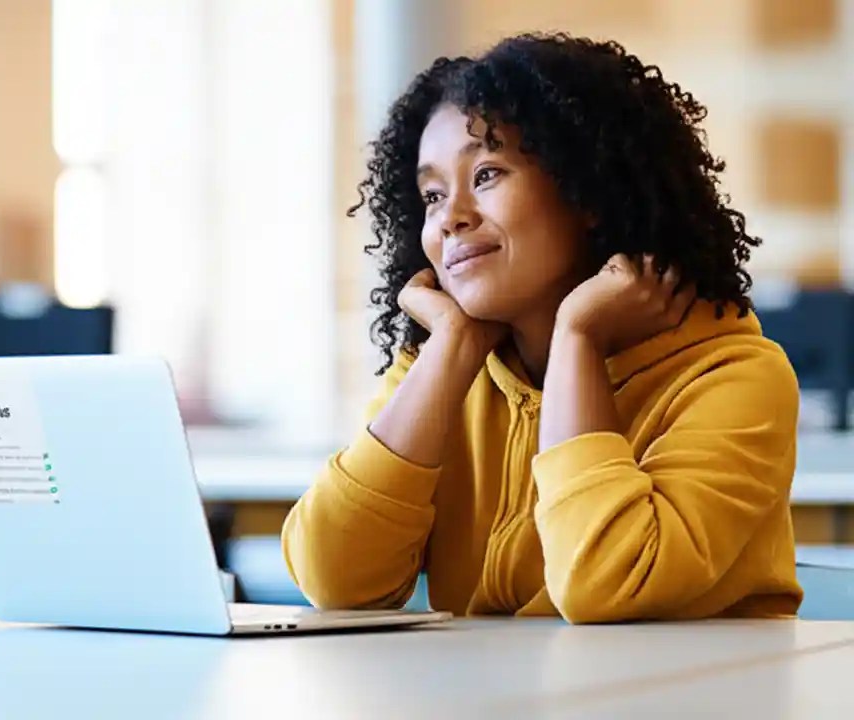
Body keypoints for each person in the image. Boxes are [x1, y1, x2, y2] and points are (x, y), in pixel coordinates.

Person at [282, 33, 802, 624]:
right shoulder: (445, 369)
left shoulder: (736, 377)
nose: (450, 217)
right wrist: (449, 352)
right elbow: (333, 578)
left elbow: (605, 587)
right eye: (432, 194)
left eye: (487, 174)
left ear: (588, 191)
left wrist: (578, 337)